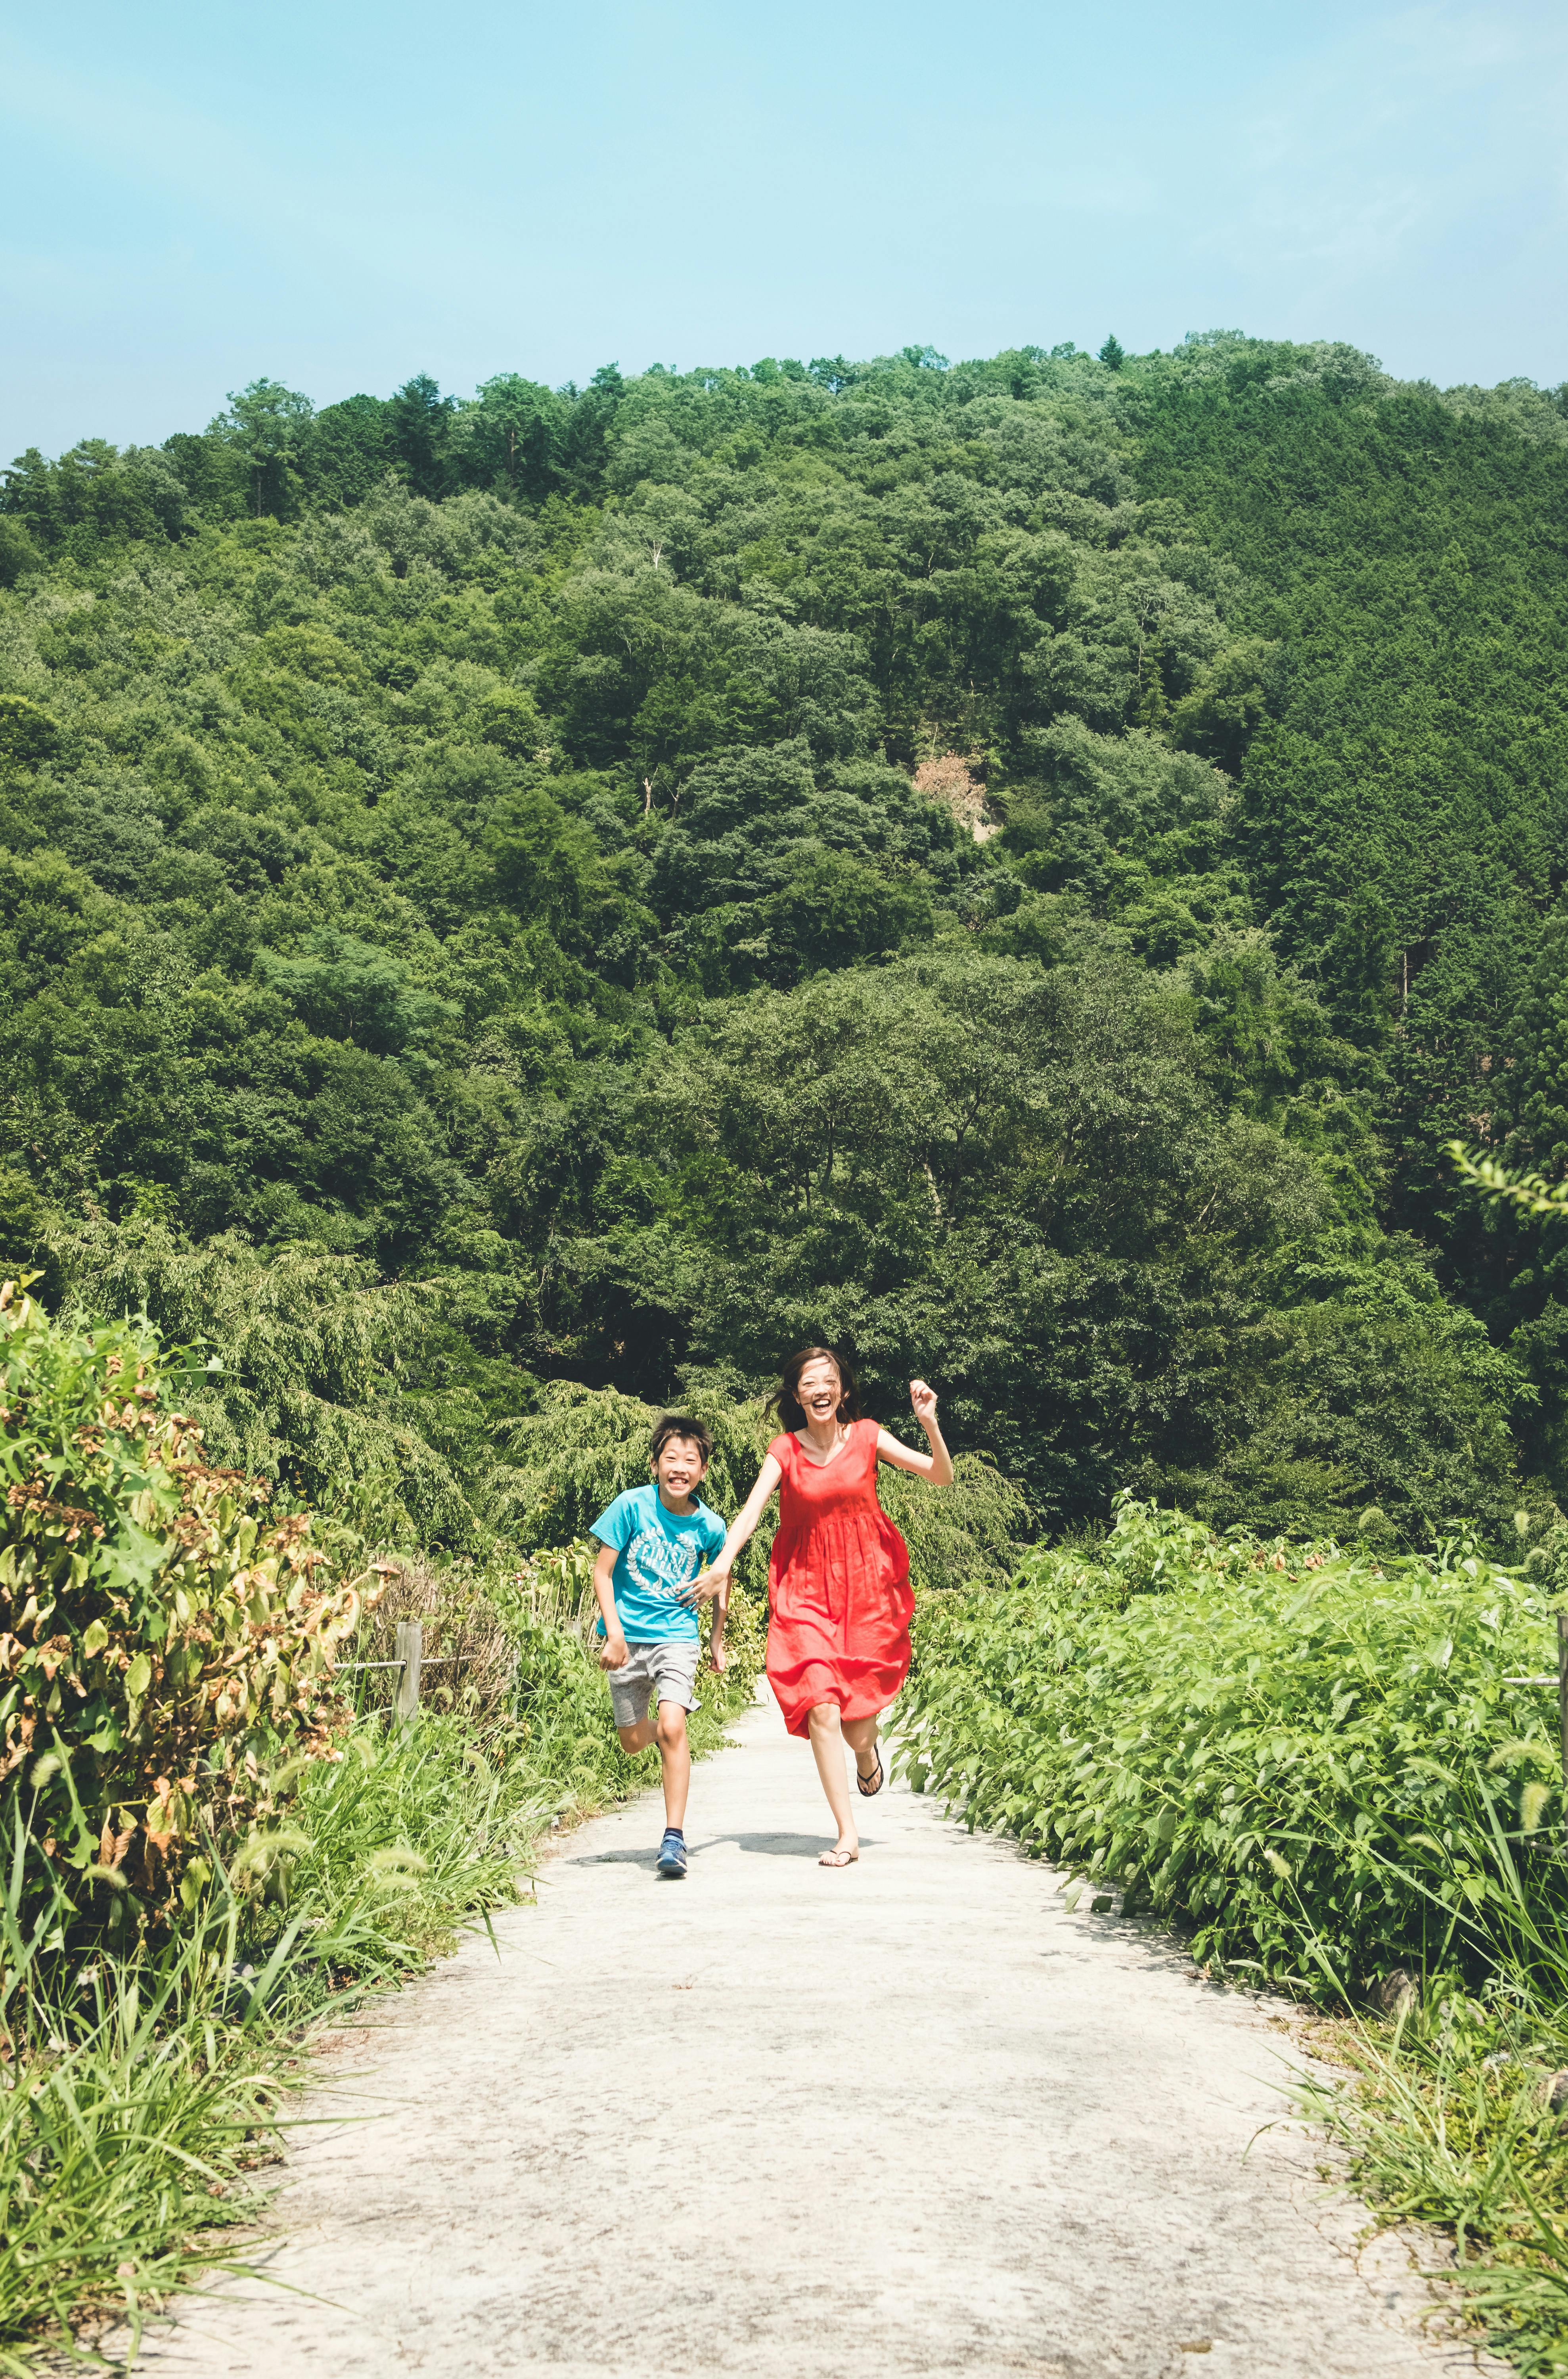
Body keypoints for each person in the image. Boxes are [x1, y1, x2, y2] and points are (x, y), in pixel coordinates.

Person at [702, 1348, 953, 1868]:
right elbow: (749, 1514)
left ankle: (865, 1752)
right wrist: (723, 1562)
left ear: (840, 1389)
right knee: (821, 1703)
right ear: (796, 1395)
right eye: (809, 1383)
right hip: (804, 1590)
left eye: (829, 1380)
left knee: (856, 1726)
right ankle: (846, 1833)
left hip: (865, 1589)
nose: (820, 1389)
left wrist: (928, 1423)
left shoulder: (866, 1435)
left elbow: (939, 1475)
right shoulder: (784, 1451)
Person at [589, 1414, 729, 1879]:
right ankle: (664, 1729)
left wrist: (716, 1639)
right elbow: (602, 1572)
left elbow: (720, 1580)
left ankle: (674, 1838)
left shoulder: (710, 1525)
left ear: (703, 1472)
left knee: (672, 1727)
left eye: (691, 1460)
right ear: (655, 1465)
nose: (680, 1467)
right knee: (632, 1743)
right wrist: (614, 1635)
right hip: (628, 1638)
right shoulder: (630, 1507)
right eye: (671, 1458)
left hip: (677, 1639)